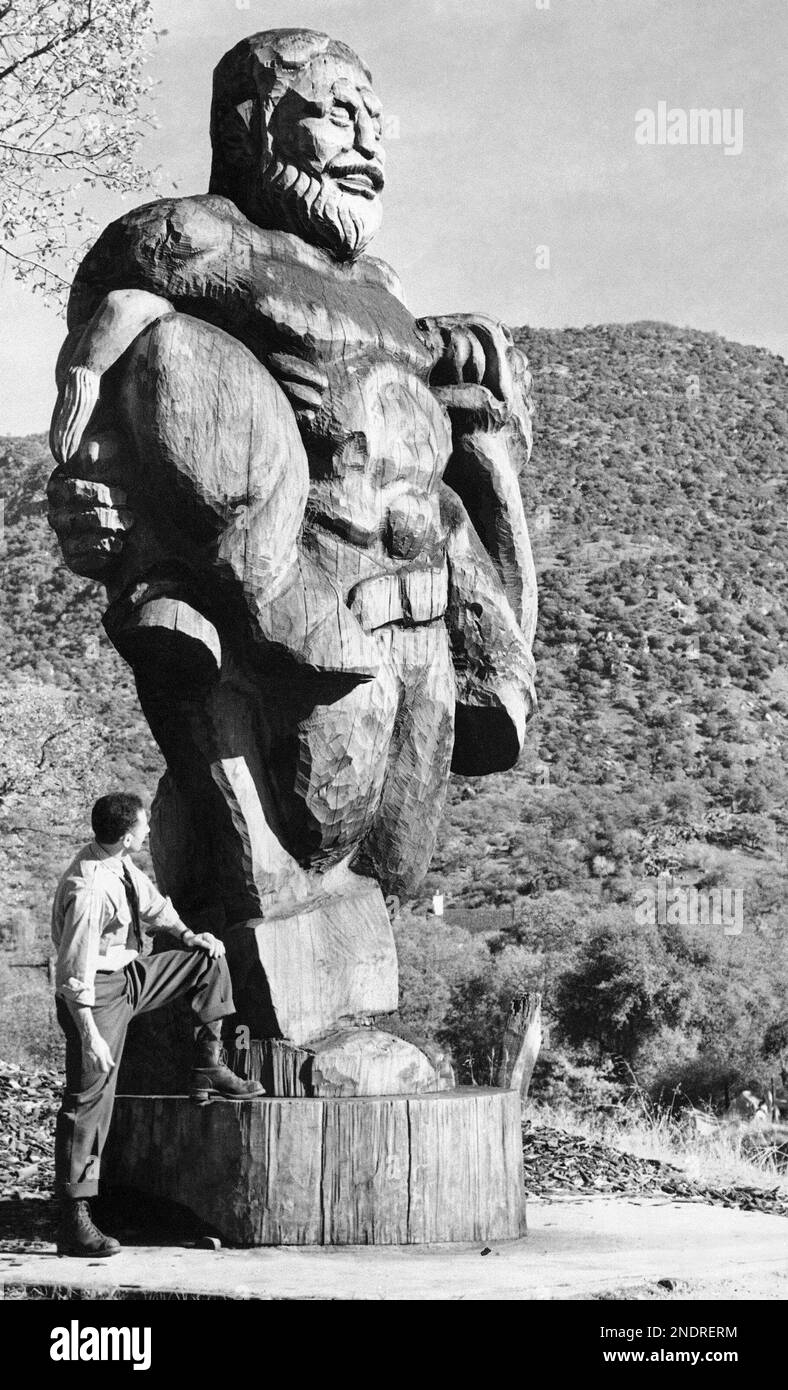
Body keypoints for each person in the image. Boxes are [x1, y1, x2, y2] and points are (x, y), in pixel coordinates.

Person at [52, 791, 263, 1258]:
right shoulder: (89, 888)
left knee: (208, 959)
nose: (149, 831)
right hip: (95, 996)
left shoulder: (117, 862)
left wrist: (190, 936)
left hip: (131, 975)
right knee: (88, 1100)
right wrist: (88, 1035)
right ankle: (74, 1217)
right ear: (127, 836)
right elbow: (73, 972)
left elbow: (152, 905)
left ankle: (208, 1063)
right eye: (144, 827)